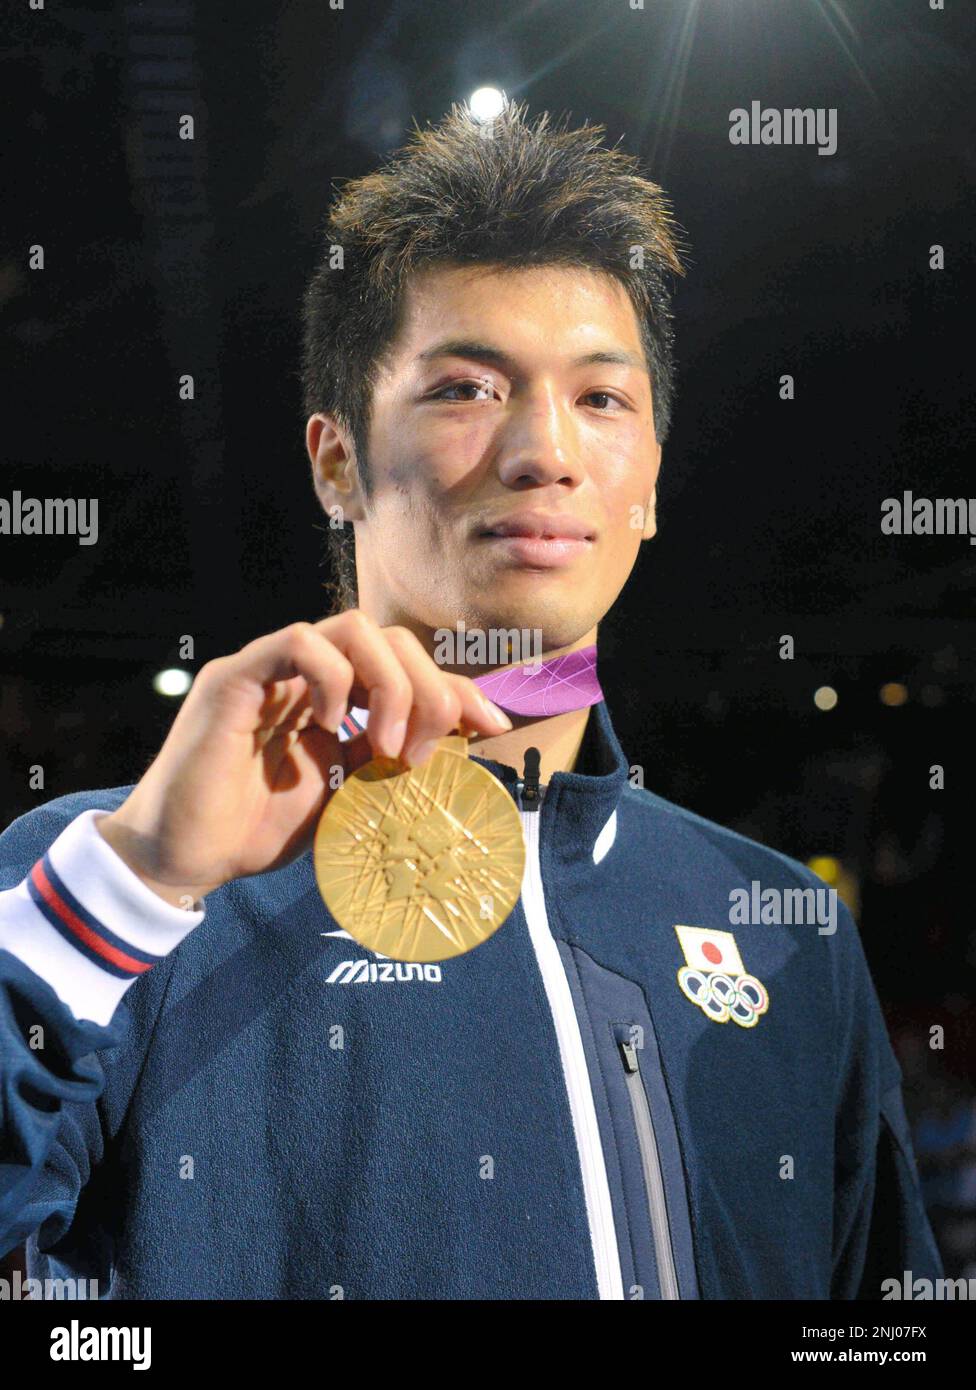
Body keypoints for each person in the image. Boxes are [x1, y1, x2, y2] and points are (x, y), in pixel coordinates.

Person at [0, 101, 942, 1300]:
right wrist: (126, 889)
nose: (544, 450)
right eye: (466, 388)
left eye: (602, 400)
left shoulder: (778, 927)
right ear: (335, 459)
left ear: (648, 479)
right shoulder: (111, 883)